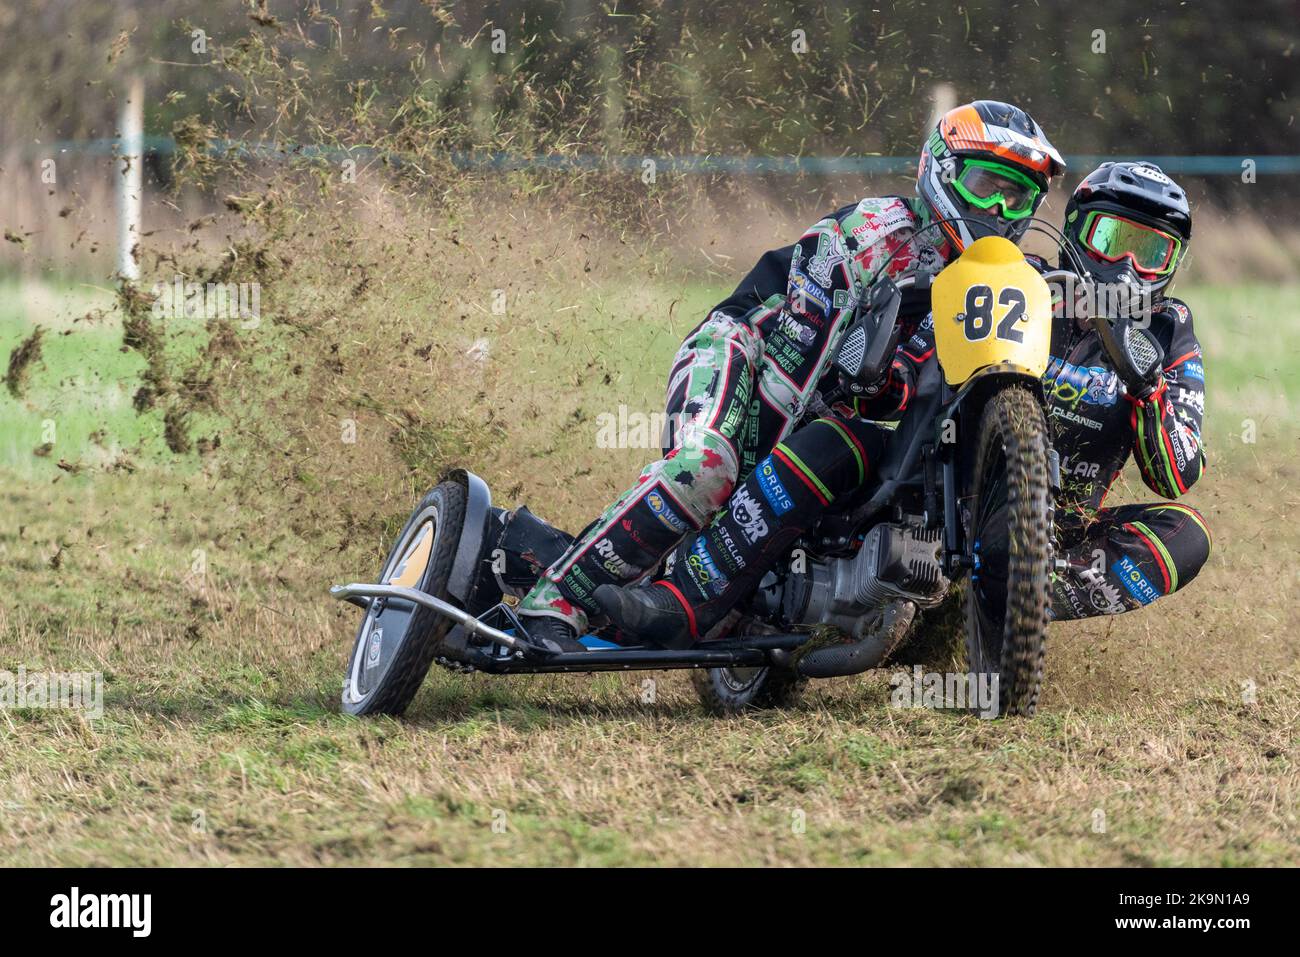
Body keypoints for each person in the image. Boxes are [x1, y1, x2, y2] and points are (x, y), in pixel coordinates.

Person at [516, 100, 1066, 650]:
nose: (997, 207)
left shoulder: (1007, 282)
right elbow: (789, 378)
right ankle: (554, 604)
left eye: (1014, 196)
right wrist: (734, 529)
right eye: (985, 185)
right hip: (746, 354)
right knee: (708, 467)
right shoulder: (870, 236)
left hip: (826, 419)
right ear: (942, 173)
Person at [1040, 161, 1211, 620]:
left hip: (1060, 531)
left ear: (1171, 264)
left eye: (1151, 252)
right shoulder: (1022, 282)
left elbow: (1177, 475)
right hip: (958, 497)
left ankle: (1032, 596)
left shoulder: (1168, 329)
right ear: (1078, 230)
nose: (1129, 266)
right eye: (1114, 240)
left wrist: (1148, 386)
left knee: (1187, 535)